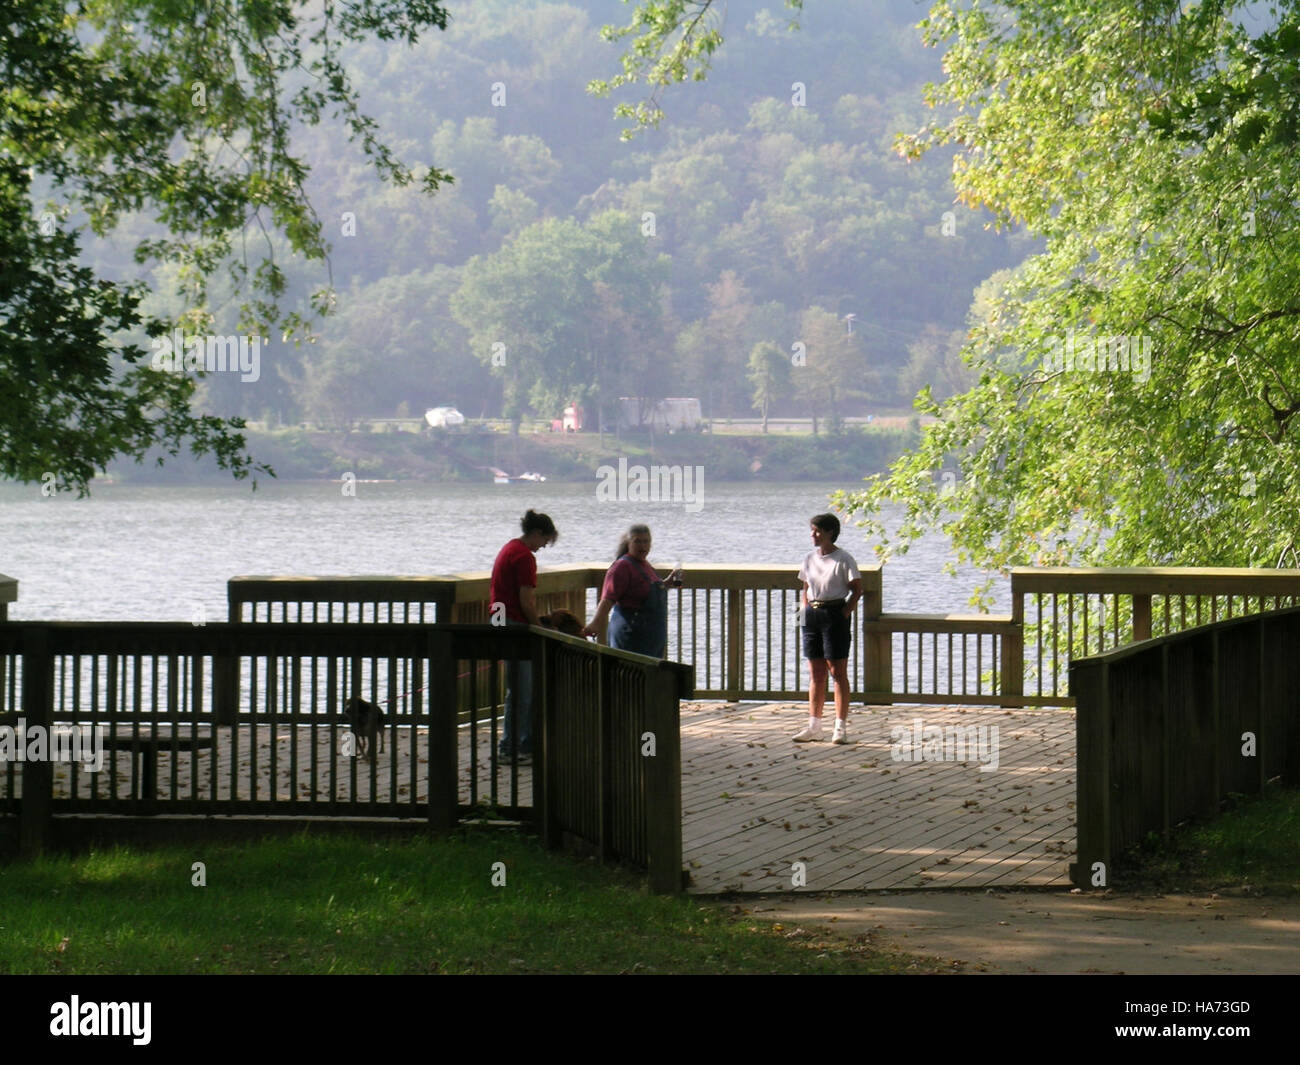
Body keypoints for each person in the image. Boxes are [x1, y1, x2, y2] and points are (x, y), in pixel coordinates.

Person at [490, 509, 558, 764]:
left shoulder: (510, 548)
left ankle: (523, 745)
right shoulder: (524, 557)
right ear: (537, 533)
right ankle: (511, 747)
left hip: (500, 621)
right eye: (545, 541)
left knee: (519, 689)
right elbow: (526, 601)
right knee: (521, 691)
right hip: (514, 625)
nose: (543, 547)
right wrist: (539, 627)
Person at [793, 512, 862, 744]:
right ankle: (814, 726)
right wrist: (803, 612)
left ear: (830, 532)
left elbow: (857, 589)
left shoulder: (844, 559)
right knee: (816, 672)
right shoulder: (809, 558)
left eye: (818, 531)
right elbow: (805, 587)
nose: (813, 535)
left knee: (837, 671)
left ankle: (840, 728)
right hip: (812, 614)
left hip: (834, 614)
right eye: (812, 530)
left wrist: (844, 613)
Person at [584, 524, 681, 657]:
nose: (643, 546)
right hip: (631, 637)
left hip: (651, 641)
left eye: (646, 541)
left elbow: (643, 591)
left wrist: (666, 584)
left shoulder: (645, 565)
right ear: (628, 543)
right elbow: (608, 599)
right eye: (637, 541)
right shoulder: (622, 566)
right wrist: (595, 624)